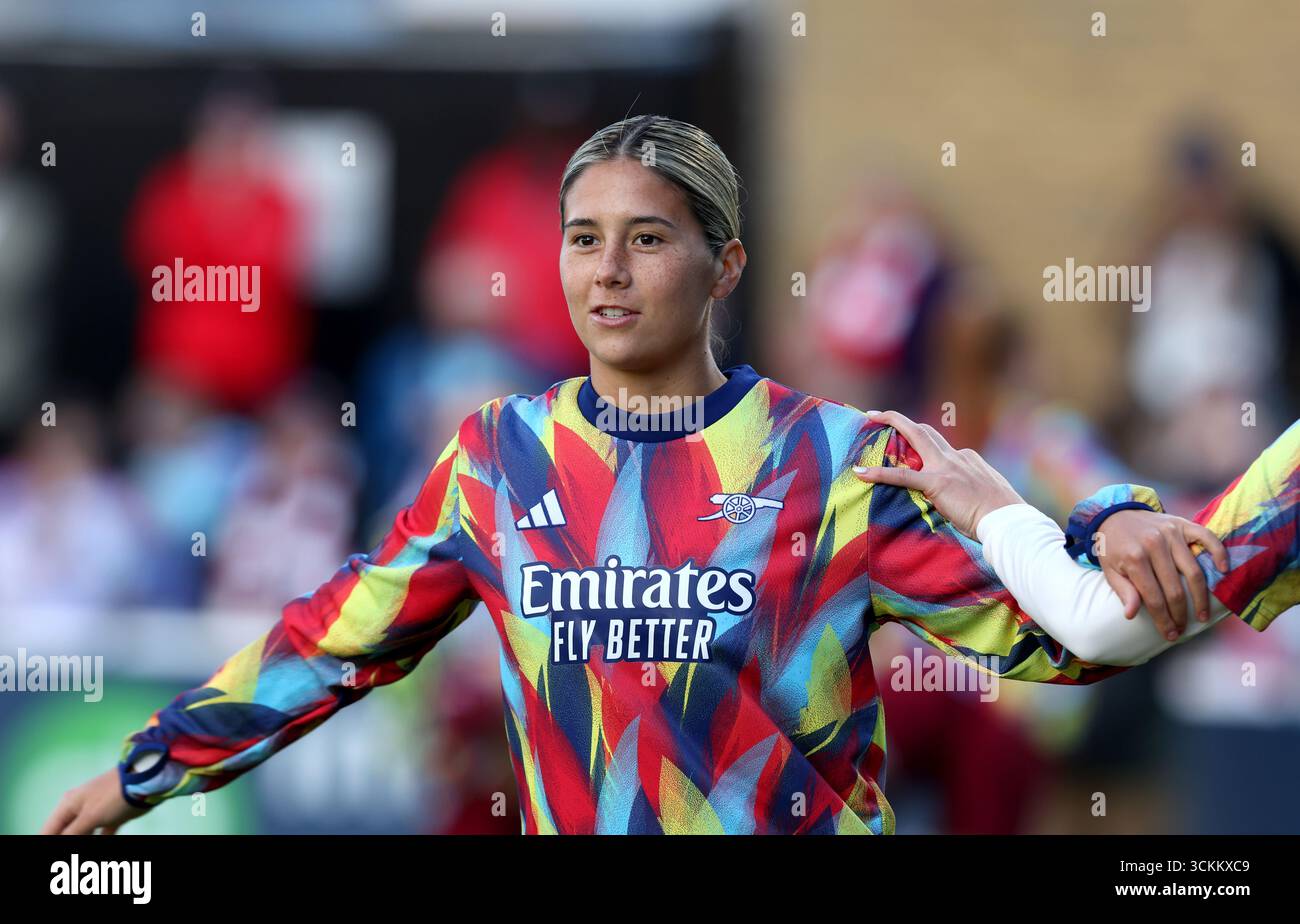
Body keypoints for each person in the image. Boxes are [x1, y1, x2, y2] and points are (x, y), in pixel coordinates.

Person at [44, 117, 1297, 836]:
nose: (607, 271)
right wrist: (145, 770)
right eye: (583, 240)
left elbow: (1062, 635)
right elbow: (329, 646)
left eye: (648, 240)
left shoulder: (836, 459)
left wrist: (1117, 509)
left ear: (726, 263)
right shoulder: (494, 462)